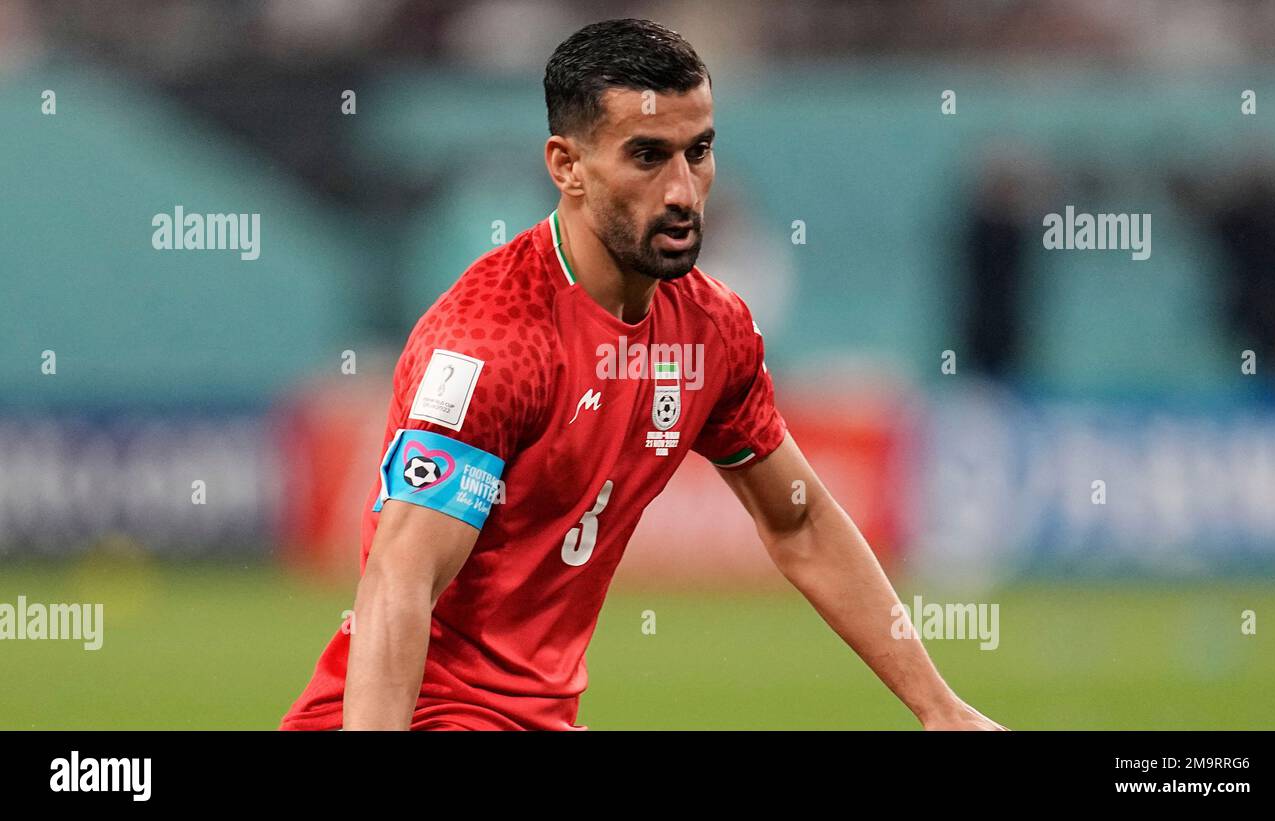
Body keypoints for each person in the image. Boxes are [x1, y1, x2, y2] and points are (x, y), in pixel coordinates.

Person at [281, 18, 1003, 731]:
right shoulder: (493, 339)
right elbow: (401, 579)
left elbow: (802, 519)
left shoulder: (711, 330)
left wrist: (940, 709)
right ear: (566, 165)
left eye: (701, 151)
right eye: (649, 156)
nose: (686, 192)